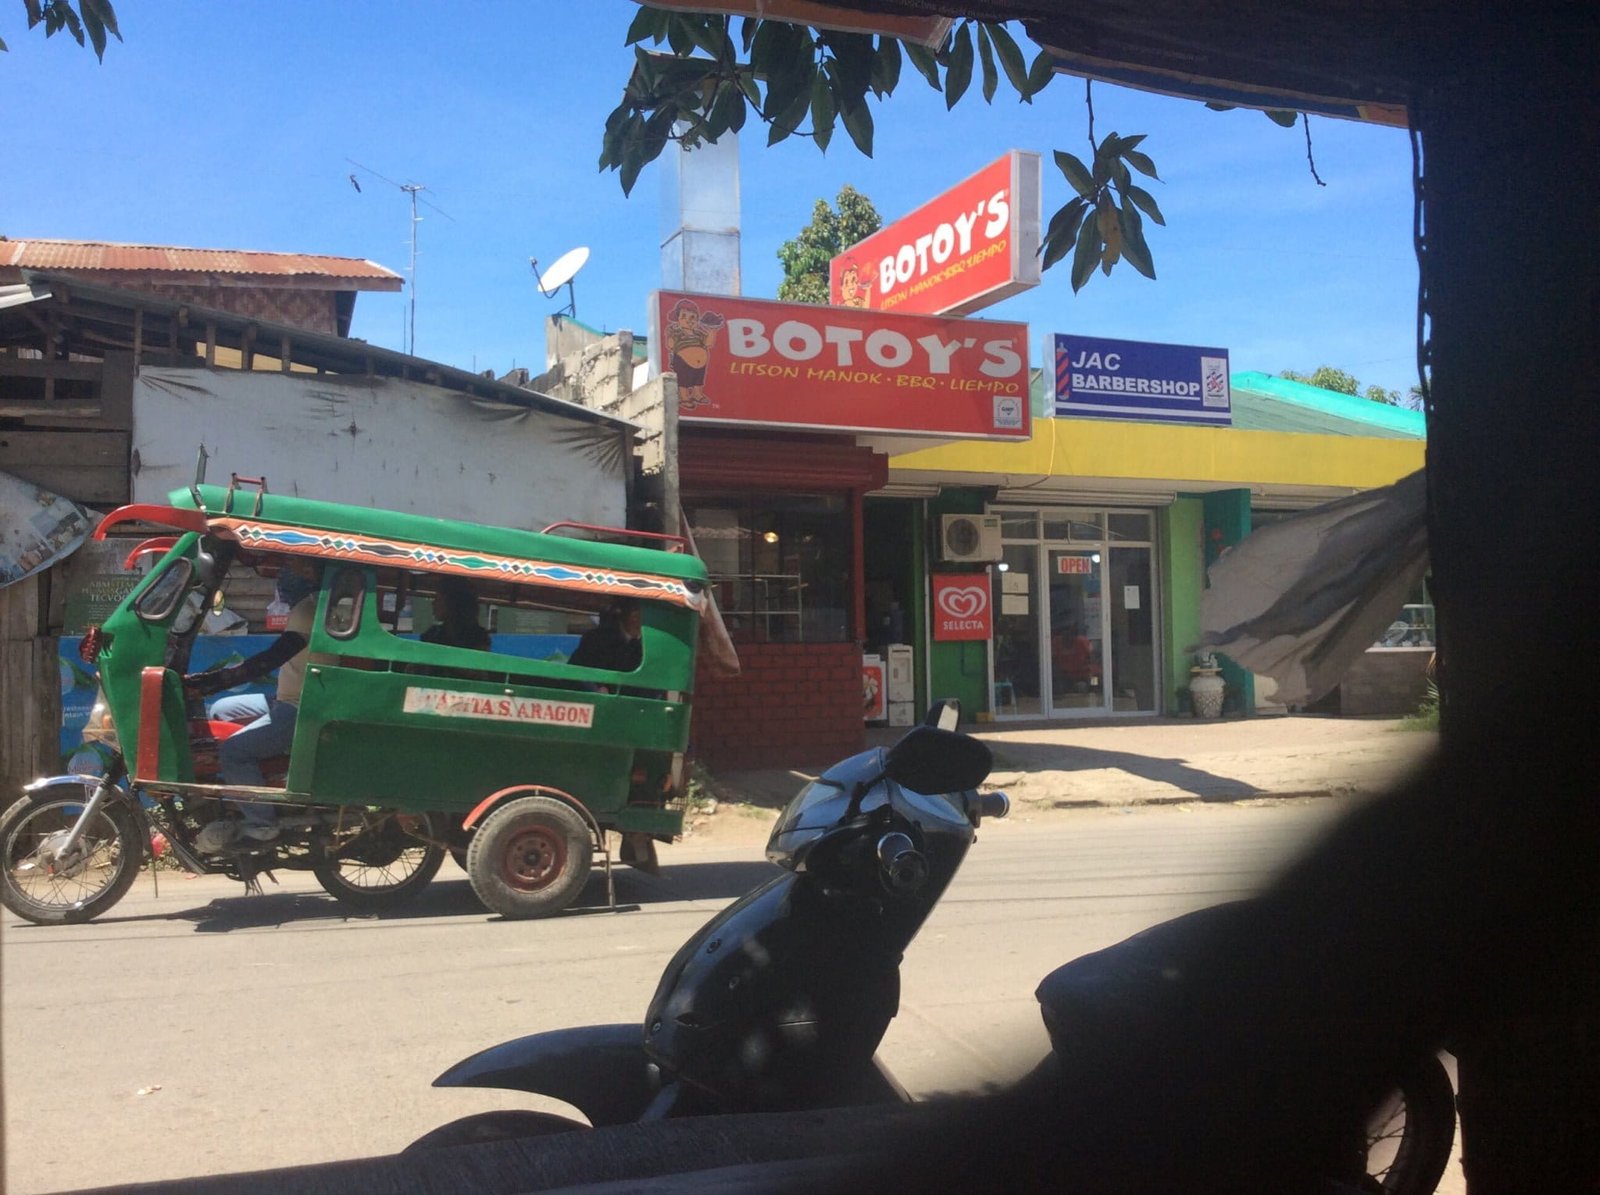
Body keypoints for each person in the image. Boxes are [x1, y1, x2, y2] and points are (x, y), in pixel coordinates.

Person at [184, 555, 322, 850]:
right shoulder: (311, 606)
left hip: (300, 709)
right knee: (223, 712)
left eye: (292, 567)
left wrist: (212, 683)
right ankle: (238, 797)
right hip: (285, 700)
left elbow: (271, 659)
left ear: (310, 571)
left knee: (234, 752)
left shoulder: (309, 610)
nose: (283, 576)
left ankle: (262, 824)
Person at [568, 599, 643, 691]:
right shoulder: (595, 638)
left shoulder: (648, 644)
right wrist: (598, 687)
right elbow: (576, 670)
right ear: (634, 616)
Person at [420, 575, 489, 651]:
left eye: (438, 598)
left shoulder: (478, 636)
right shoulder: (432, 634)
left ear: (451, 602)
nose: (433, 603)